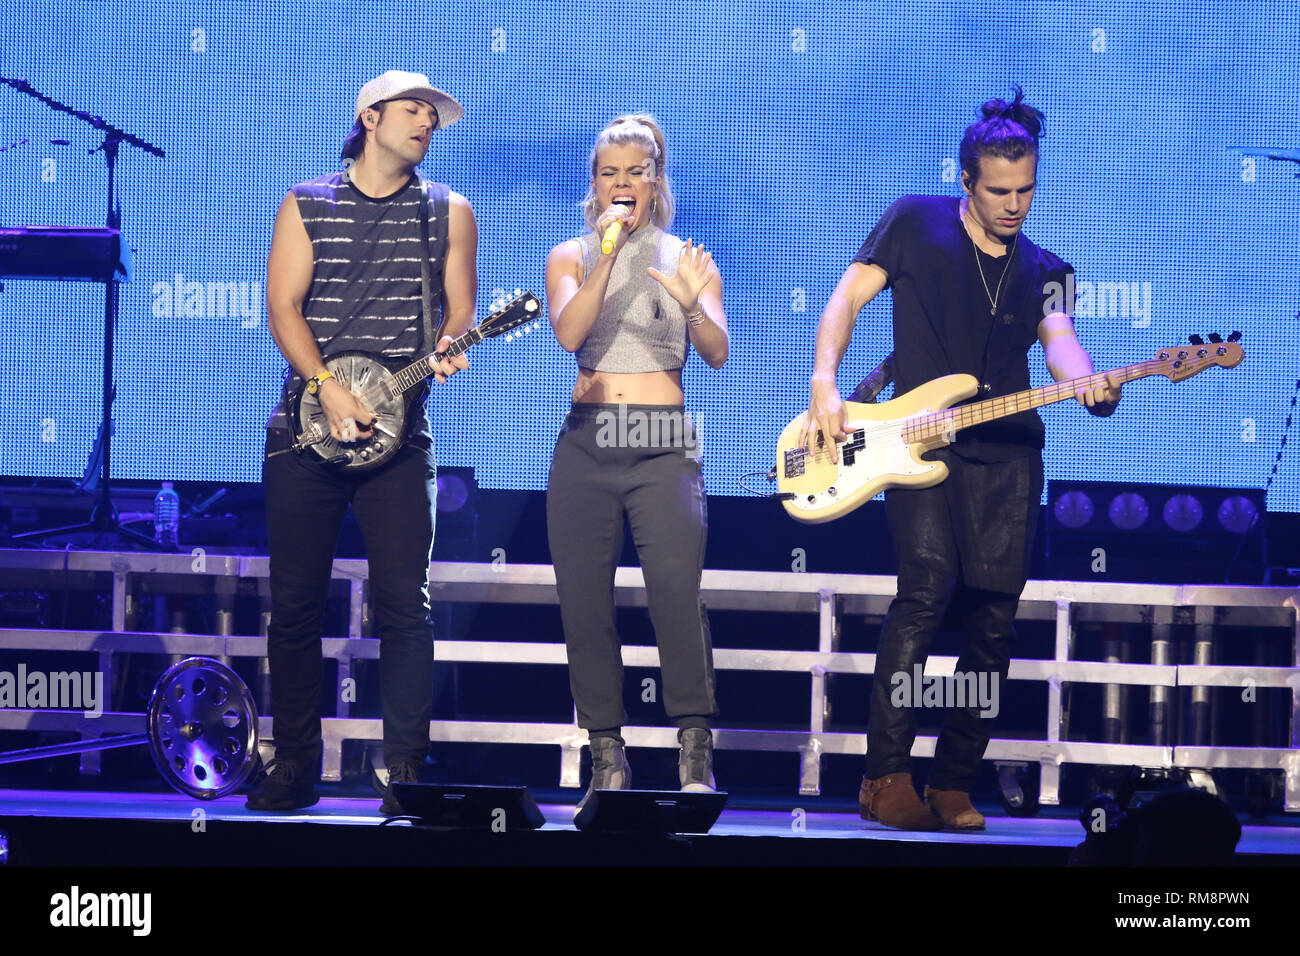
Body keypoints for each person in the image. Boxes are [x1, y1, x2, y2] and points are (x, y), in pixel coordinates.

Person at [804, 87, 1122, 830]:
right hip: (915, 446)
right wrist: (824, 379)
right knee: (922, 597)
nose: (1015, 205)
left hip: (1007, 460)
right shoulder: (914, 221)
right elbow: (846, 299)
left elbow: (1061, 342)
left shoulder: (1047, 267)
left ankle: (953, 781)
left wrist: (1089, 384)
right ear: (966, 181)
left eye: (1027, 190)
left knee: (993, 622)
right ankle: (886, 778)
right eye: (1000, 191)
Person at [247, 70, 476, 813]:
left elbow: (459, 316)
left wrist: (448, 349)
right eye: (413, 110)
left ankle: (405, 770)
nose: (426, 123)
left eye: (433, 116)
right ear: (370, 117)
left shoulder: (448, 212)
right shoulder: (308, 202)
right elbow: (282, 306)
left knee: (406, 606)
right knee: (296, 606)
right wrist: (325, 385)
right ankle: (293, 767)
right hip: (305, 433)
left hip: (399, 439)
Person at [544, 114, 729, 806]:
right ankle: (606, 752)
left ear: (656, 182)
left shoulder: (685, 258)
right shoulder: (569, 254)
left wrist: (691, 304)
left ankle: (694, 746)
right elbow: (570, 332)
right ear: (594, 185)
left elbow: (717, 350)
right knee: (584, 603)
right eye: (609, 173)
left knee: (675, 594)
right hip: (587, 440)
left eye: (636, 172)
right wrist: (607, 255)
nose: (623, 184)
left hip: (661, 441)